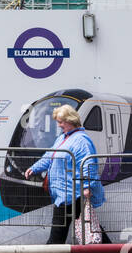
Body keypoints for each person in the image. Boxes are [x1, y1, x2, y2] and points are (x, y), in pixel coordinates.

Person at [24, 104, 106, 245]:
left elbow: (88, 165)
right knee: (89, 227)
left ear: (70, 120)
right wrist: (35, 168)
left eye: (61, 121)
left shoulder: (81, 140)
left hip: (73, 193)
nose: (59, 125)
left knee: (58, 234)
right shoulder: (63, 138)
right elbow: (49, 156)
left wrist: (86, 187)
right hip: (65, 192)